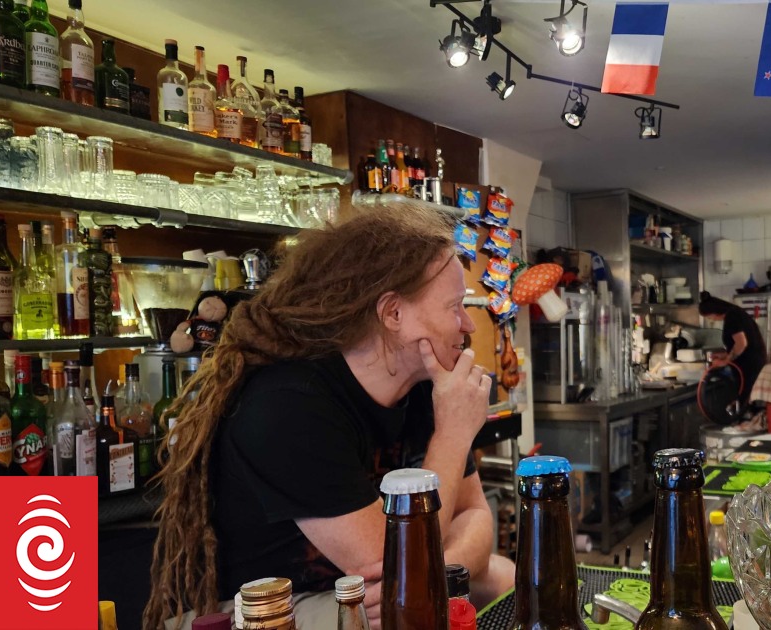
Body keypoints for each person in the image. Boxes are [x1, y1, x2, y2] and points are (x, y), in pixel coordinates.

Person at [144, 203, 515, 630]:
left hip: (373, 590)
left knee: (503, 577)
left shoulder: (426, 387)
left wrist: (429, 575)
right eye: (454, 306)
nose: (467, 325)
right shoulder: (290, 403)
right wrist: (451, 434)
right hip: (264, 608)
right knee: (399, 617)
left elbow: (474, 520)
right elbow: (388, 563)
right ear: (393, 313)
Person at [699, 292, 767, 410]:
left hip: (749, 365)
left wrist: (725, 361)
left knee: (743, 400)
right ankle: (742, 420)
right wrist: (724, 355)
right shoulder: (736, 313)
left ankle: (741, 423)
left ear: (714, 312)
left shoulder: (732, 317)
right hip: (753, 361)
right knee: (745, 399)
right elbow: (739, 345)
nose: (711, 320)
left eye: (709, 317)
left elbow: (742, 344)